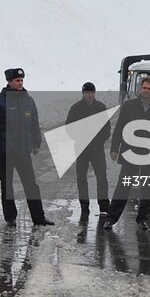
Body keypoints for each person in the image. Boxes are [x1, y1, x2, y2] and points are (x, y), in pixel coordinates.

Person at [0, 68, 54, 227]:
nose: (20, 83)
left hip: (23, 150)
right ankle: (10, 217)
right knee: (7, 185)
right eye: (17, 81)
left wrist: (36, 142)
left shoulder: (28, 100)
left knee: (31, 184)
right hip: (5, 151)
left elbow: (34, 123)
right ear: (9, 82)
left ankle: (39, 217)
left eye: (22, 80)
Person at [103, 77, 150, 230]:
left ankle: (142, 219)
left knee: (147, 188)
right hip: (130, 153)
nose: (146, 91)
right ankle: (111, 219)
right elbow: (120, 127)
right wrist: (114, 148)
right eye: (144, 88)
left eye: (149, 89)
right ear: (140, 89)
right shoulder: (129, 106)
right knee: (123, 186)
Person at [66, 82, 111, 220]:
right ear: (83, 93)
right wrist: (80, 139)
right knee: (81, 177)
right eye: (87, 93)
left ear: (94, 93)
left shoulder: (100, 107)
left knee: (102, 177)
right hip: (81, 148)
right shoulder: (76, 108)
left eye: (91, 92)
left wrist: (99, 142)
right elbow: (69, 127)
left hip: (97, 149)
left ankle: (104, 205)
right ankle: (84, 206)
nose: (89, 95)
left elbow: (107, 129)